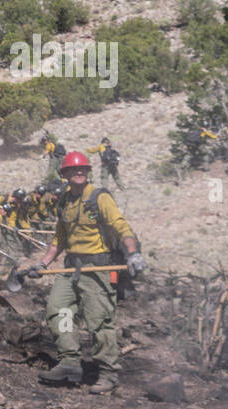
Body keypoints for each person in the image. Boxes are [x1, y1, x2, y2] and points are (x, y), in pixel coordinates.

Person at [27, 151, 144, 393]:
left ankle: (109, 372)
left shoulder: (99, 198)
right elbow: (60, 237)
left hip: (99, 266)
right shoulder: (65, 202)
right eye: (74, 169)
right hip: (71, 266)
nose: (79, 172)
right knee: (59, 310)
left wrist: (133, 253)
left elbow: (120, 225)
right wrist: (43, 263)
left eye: (83, 169)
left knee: (98, 320)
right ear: (65, 174)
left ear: (88, 172)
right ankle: (70, 360)